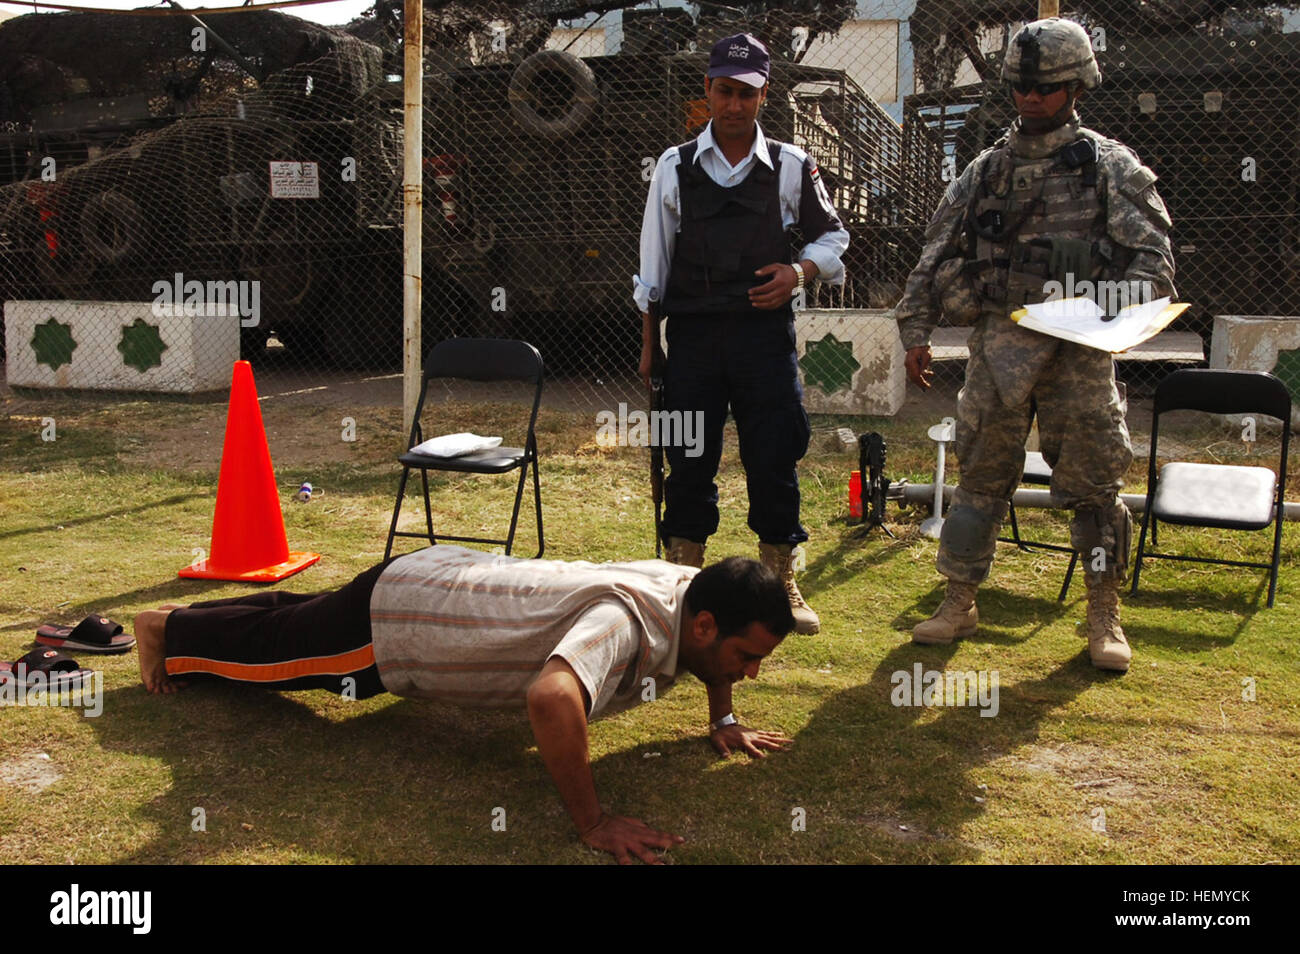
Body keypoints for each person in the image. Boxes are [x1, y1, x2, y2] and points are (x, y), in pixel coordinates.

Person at [134, 545, 795, 865]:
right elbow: (551, 697)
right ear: (703, 626)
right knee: (279, 654)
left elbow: (730, 640)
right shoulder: (625, 622)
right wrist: (593, 823)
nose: (751, 671)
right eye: (746, 658)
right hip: (402, 621)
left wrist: (725, 718)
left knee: (298, 620)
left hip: (437, 571)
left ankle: (184, 621)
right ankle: (168, 632)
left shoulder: (689, 590)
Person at [891, 17, 1175, 672]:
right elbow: (934, 256)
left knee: (1095, 488)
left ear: (1077, 87)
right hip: (998, 351)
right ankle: (959, 599)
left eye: (1044, 88)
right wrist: (915, 332)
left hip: (1078, 354)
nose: (1030, 99)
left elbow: (1154, 266)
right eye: (1021, 86)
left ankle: (1103, 611)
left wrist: (1095, 309)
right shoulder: (986, 170)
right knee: (979, 479)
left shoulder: (1109, 167)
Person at [634, 32, 850, 636]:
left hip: (764, 341)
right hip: (695, 342)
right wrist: (651, 350)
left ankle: (780, 580)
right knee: (688, 457)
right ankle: (680, 581)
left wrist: (799, 271)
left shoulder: (790, 165)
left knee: (775, 454)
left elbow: (832, 238)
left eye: (746, 94)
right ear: (707, 91)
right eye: (724, 92)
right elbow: (652, 271)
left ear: (764, 95)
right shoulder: (673, 168)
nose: (734, 105)